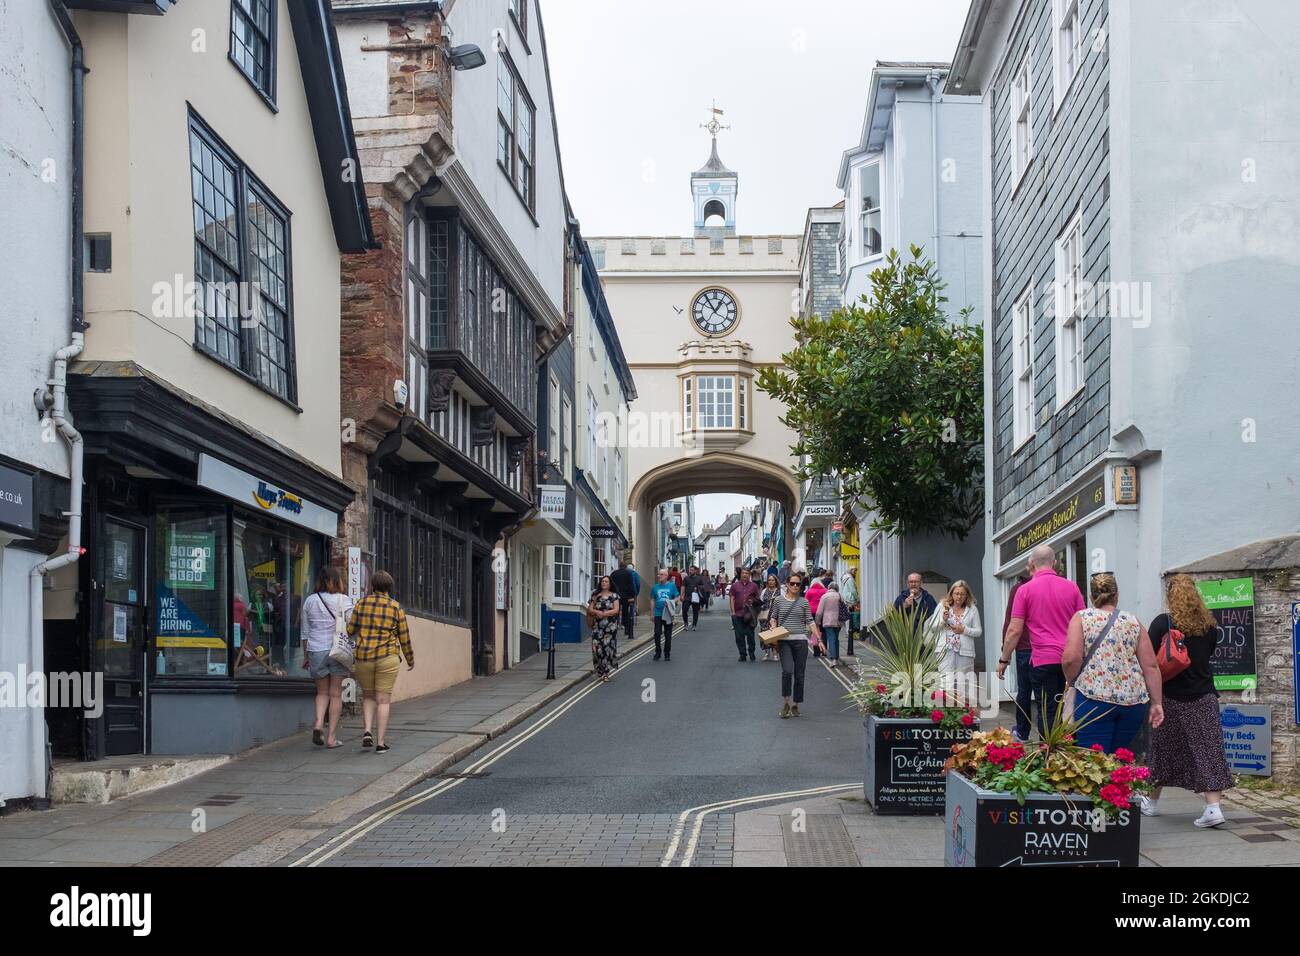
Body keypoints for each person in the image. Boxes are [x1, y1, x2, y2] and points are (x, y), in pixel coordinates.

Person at [1140, 574, 1232, 828]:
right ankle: (1213, 807)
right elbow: (1208, 656)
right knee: (1208, 751)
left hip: (1168, 698)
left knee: (1162, 751)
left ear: (1171, 596)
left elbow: (1148, 659)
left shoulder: (1162, 623)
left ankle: (1151, 803)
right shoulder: (1209, 627)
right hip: (1203, 697)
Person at [1063, 572, 1164, 752]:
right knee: (1120, 759)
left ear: (1091, 596)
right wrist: (1157, 703)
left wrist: (1071, 682)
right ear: (1116, 595)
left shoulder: (1081, 618)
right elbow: (1151, 666)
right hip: (1132, 703)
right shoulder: (1133, 621)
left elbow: (1071, 659)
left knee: (1094, 761)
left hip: (1092, 699)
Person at [996, 545, 1085, 736]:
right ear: (1054, 562)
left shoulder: (1024, 590)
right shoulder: (1072, 587)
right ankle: (1072, 758)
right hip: (1071, 659)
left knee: (1048, 711)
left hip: (1043, 660)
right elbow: (1084, 624)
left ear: (1032, 564)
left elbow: (1014, 630)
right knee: (1071, 708)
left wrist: (1004, 659)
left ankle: (1051, 756)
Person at [347, 569, 414, 754]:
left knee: (368, 696)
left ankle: (367, 730)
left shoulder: (361, 604)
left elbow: (350, 629)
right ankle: (380, 742)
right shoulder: (395, 607)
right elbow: (404, 636)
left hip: (364, 657)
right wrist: (410, 659)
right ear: (389, 587)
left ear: (372, 585)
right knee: (383, 700)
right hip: (387, 657)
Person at [300, 566, 354, 749]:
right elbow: (352, 625)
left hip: (316, 650)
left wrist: (306, 655)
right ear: (337, 581)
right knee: (335, 694)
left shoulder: (309, 601)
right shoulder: (343, 600)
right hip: (337, 650)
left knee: (321, 693)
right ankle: (331, 738)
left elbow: (305, 633)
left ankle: (317, 724)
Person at [767, 571, 820, 718]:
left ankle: (796, 704)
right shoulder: (778, 600)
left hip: (801, 641)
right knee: (787, 671)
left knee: (799, 674)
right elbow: (773, 617)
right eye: (792, 583)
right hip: (784, 641)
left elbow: (810, 621)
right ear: (787, 585)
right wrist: (773, 626)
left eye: (798, 584)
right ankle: (786, 703)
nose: (795, 586)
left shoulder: (804, 602)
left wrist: (819, 640)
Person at [1003, 570, 1034, 742]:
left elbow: (1011, 622)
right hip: (1054, 649)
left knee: (1024, 690)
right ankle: (1050, 737)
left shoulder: (1020, 588)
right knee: (1050, 693)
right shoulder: (1064, 585)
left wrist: (1004, 654)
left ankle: (1022, 730)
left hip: (1025, 646)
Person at [928, 580, 982, 677]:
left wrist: (964, 630)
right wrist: (943, 620)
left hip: (965, 652)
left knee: (964, 683)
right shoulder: (942, 606)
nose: (959, 597)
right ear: (951, 593)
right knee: (946, 682)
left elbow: (978, 631)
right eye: (956, 593)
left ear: (967, 595)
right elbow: (932, 628)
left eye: (963, 594)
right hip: (945, 651)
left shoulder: (972, 609)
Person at [587, 575, 621, 682]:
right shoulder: (595, 595)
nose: (604, 583)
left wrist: (605, 613)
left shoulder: (614, 596)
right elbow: (589, 609)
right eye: (602, 581)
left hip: (610, 627)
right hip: (597, 626)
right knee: (596, 649)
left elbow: (616, 610)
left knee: (606, 649)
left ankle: (605, 672)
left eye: (606, 581)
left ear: (610, 583)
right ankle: (600, 670)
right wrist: (597, 612)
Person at [729, 567, 760, 662]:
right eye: (743, 573)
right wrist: (733, 613)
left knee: (750, 635)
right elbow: (731, 599)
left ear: (749, 575)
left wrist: (755, 613)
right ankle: (742, 654)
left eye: (747, 573)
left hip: (749, 615)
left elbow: (757, 600)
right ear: (740, 574)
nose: (745, 575)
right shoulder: (735, 586)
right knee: (739, 636)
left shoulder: (754, 586)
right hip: (738, 614)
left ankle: (751, 652)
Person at [650, 569, 680, 661]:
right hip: (658, 613)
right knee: (657, 633)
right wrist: (652, 614)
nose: (659, 576)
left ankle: (667, 653)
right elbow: (652, 600)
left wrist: (671, 601)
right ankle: (658, 652)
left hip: (668, 614)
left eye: (662, 574)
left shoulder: (672, 586)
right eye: (659, 574)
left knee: (668, 635)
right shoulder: (655, 587)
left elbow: (677, 597)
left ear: (666, 576)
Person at [815, 580, 844, 666]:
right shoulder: (840, 595)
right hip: (839, 621)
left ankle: (833, 659)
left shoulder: (824, 596)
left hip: (828, 621)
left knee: (831, 639)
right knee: (836, 639)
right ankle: (837, 657)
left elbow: (819, 611)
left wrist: (817, 622)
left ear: (829, 588)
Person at [610, 560, 637, 640]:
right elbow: (631, 585)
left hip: (616, 596)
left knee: (615, 612)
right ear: (625, 567)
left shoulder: (614, 574)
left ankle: (614, 628)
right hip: (626, 596)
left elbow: (611, 585)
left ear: (619, 566)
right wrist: (632, 595)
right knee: (625, 613)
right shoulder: (629, 574)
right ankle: (626, 629)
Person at [758, 573, 781, 662]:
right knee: (765, 634)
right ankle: (767, 653)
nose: (771, 582)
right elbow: (760, 602)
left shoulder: (780, 591)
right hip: (765, 615)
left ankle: (775, 653)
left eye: (773, 580)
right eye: (769, 580)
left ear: (776, 581)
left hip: (776, 615)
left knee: (774, 634)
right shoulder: (764, 591)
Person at [683, 565, 707, 630]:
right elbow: (683, 587)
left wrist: (698, 587)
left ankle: (694, 625)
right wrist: (682, 596)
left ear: (695, 571)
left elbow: (702, 586)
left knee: (695, 611)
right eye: (690, 570)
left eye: (692, 570)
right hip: (687, 597)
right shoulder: (686, 578)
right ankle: (686, 623)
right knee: (684, 610)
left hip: (696, 597)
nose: (690, 571)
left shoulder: (699, 578)